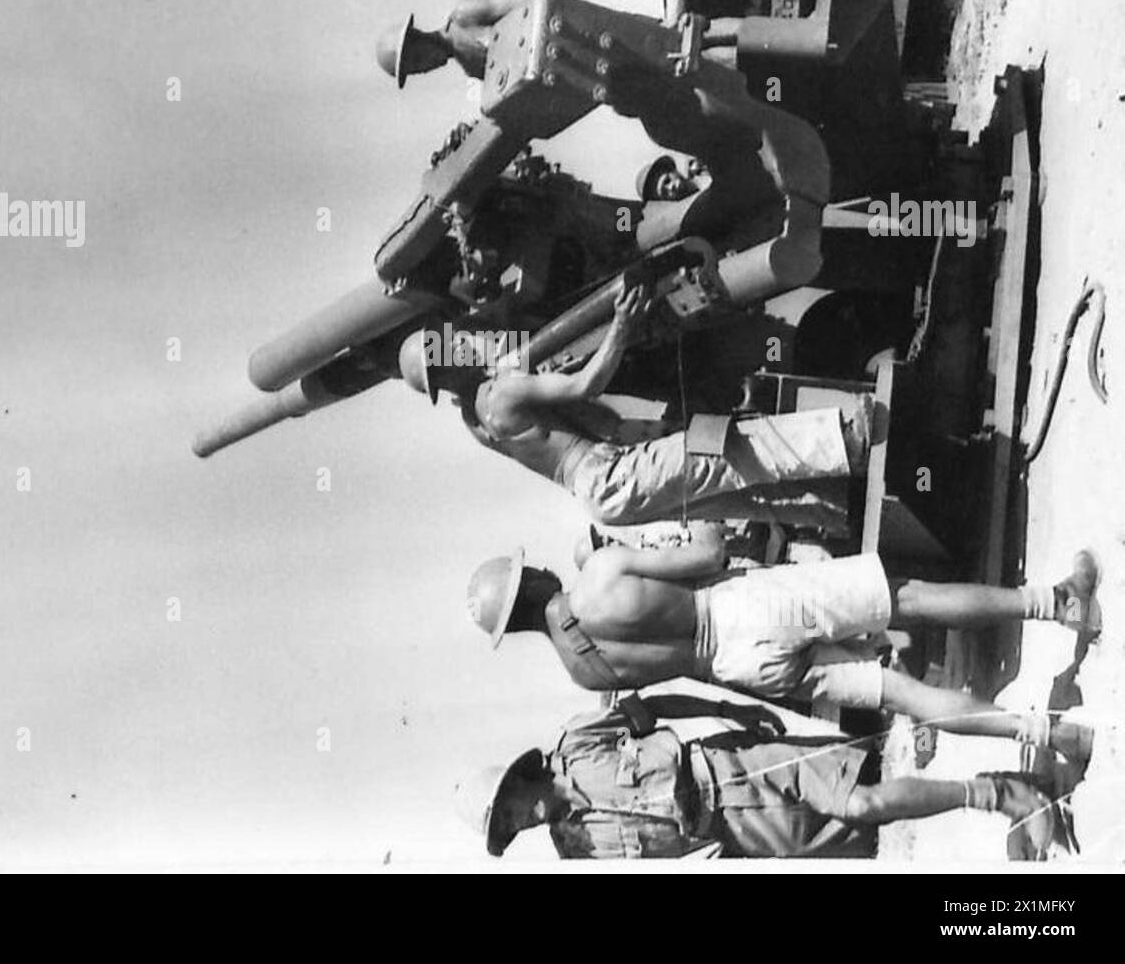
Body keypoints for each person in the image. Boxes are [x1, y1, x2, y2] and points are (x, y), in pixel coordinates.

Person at [464, 539, 1100, 761]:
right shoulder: (597, 574)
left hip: (737, 668)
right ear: (534, 583)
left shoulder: (579, 672)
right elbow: (709, 556)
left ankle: (1046, 734)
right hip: (740, 606)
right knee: (904, 598)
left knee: (901, 695)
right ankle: (1055, 602)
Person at [398, 286, 870, 527]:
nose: (460, 340)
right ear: (447, 366)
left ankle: (843, 508)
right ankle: (851, 435)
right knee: (728, 450)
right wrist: (622, 324)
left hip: (602, 494)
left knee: (747, 499)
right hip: (611, 475)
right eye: (450, 344)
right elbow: (586, 384)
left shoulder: (473, 418)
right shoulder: (499, 394)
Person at [454, 692, 1069, 859]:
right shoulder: (575, 850)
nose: (521, 822)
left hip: (728, 769)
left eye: (510, 810)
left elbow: (655, 707)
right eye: (509, 828)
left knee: (860, 803)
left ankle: (1001, 794)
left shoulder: (577, 740)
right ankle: (995, 791)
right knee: (867, 832)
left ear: (518, 782)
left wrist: (726, 708)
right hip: (735, 834)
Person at [375, 0, 531, 87]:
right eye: (418, 71)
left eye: (418, 58)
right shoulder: (471, 67)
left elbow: (535, 1)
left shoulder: (465, 14)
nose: (425, 68)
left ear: (418, 37)